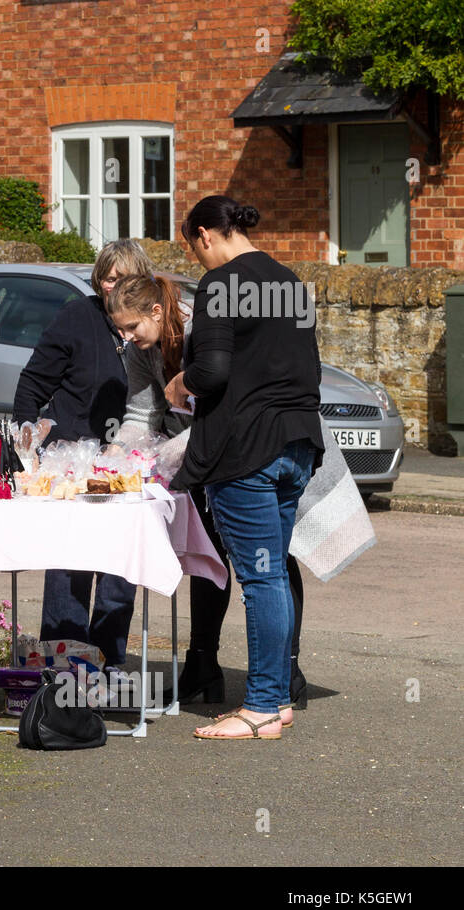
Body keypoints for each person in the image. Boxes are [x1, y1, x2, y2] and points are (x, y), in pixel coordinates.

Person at [165, 196, 326, 740]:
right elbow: (309, 368)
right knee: (273, 573)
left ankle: (258, 709)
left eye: (195, 248)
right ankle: (276, 699)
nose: (199, 261)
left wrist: (179, 383)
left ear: (206, 235)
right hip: (298, 444)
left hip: (246, 451)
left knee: (260, 579)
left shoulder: (221, 285)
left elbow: (209, 371)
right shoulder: (291, 284)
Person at [108, 272, 308, 710]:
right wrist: (117, 457)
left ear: (157, 312)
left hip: (252, 449)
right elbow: (142, 413)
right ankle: (202, 666)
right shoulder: (142, 349)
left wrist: (171, 455)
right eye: (119, 330)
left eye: (131, 328)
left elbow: (229, 407)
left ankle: (286, 669)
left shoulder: (205, 328)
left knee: (272, 560)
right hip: (199, 460)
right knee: (209, 556)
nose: (125, 338)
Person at [12, 238, 155, 680]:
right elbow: (33, 382)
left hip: (127, 465)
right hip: (71, 461)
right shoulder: (78, 317)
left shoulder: (148, 327)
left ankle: (108, 662)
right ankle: (62, 664)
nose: (113, 287)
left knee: (118, 569)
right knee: (69, 563)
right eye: (107, 278)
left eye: (123, 279)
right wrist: (26, 441)